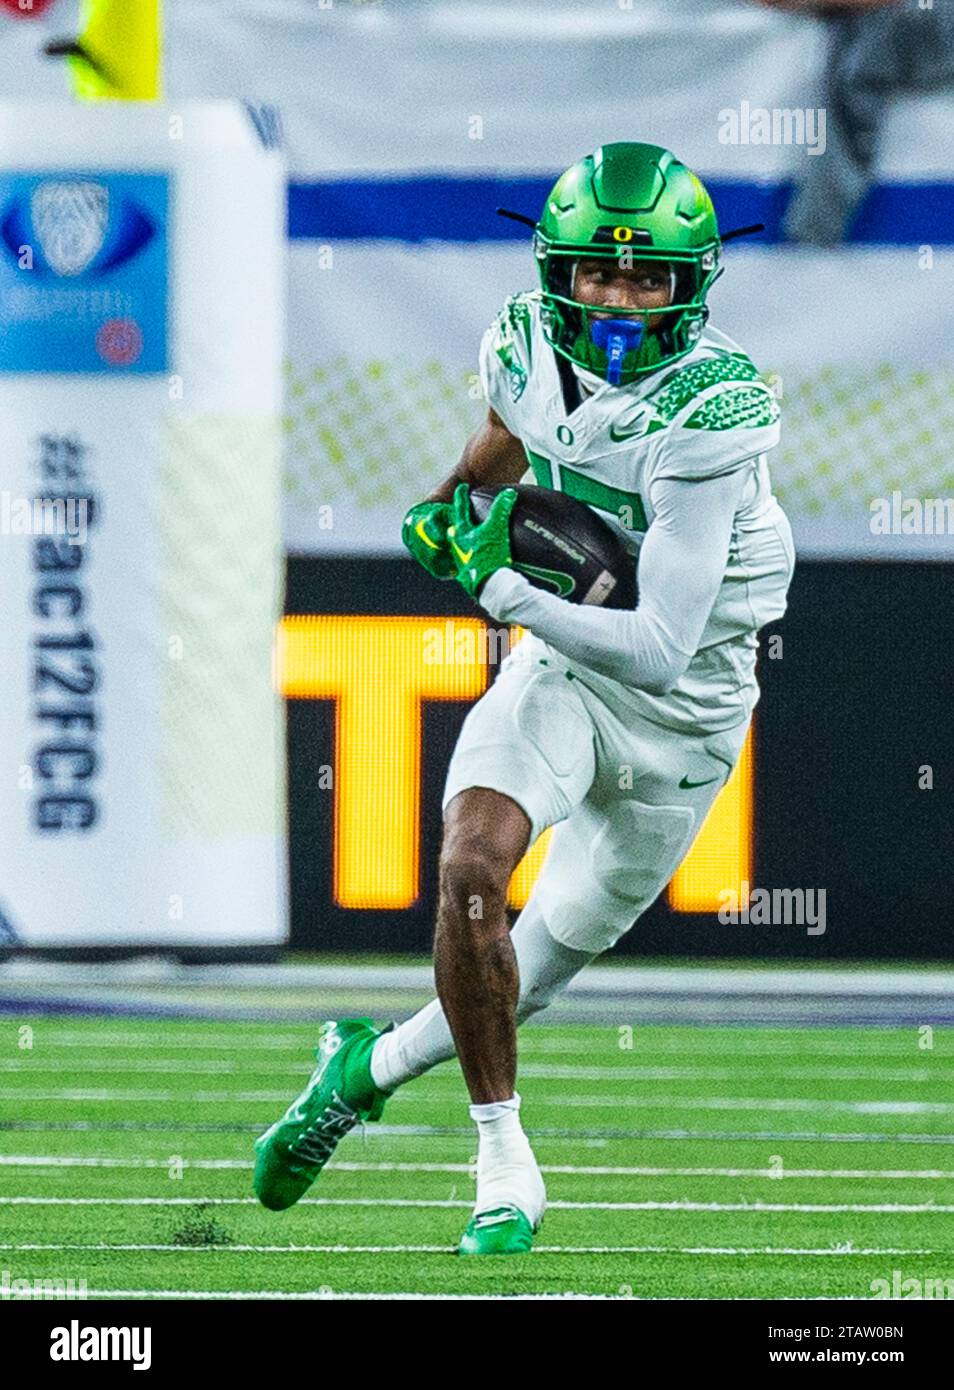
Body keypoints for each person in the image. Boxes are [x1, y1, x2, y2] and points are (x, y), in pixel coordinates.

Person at [253, 142, 795, 1256]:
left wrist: (501, 588)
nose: (621, 297)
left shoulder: (714, 410)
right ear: (559, 271)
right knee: (468, 870)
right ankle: (504, 1162)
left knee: (532, 971)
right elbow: (512, 435)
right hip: (560, 673)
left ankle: (361, 1067)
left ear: (694, 285)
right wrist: (450, 498)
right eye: (599, 271)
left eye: (649, 277)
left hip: (682, 708)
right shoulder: (520, 337)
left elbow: (654, 644)